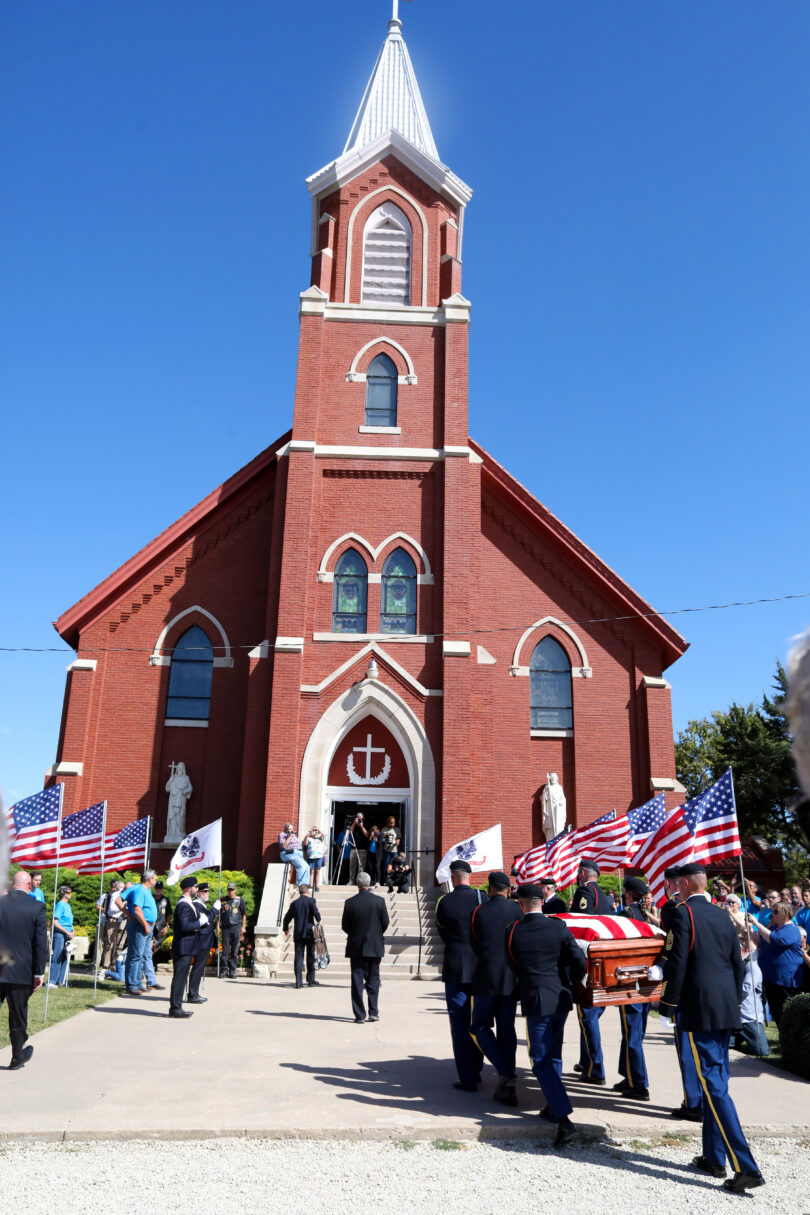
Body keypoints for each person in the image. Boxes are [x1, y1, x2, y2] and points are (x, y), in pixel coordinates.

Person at [659, 862, 764, 1194]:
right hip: (723, 1007)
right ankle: (713, 1157)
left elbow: (677, 962)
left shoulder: (682, 913)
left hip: (698, 1009)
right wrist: (732, 1003)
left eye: (678, 883)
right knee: (714, 1082)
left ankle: (745, 1166)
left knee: (713, 1085)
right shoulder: (723, 915)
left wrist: (666, 1005)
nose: (676, 887)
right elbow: (737, 964)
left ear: (687, 884)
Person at [506, 882, 587, 1148]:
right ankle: (553, 1106)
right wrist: (575, 980)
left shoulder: (513, 931)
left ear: (520, 904)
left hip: (536, 998)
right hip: (561, 996)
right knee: (553, 1053)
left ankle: (564, 1118)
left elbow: (513, 962)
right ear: (542, 902)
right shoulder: (558, 926)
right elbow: (577, 958)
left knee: (540, 1058)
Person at [469, 870, 522, 1105]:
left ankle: (505, 1072)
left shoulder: (479, 911)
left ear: (490, 889)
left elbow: (475, 942)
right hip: (510, 978)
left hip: (485, 977)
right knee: (506, 1029)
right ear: (508, 890)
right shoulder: (517, 911)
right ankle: (507, 1087)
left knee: (478, 1027)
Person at [435, 859, 486, 1091]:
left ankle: (467, 1076)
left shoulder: (443, 902)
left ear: (452, 878)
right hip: (479, 967)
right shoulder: (481, 897)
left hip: (455, 966)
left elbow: (442, 933)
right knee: (479, 1021)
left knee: (459, 1023)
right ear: (469, 875)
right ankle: (478, 1066)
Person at [658, 865, 703, 1123]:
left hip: (687, 991)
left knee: (688, 1050)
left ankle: (694, 1103)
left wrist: (667, 1003)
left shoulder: (677, 910)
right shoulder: (718, 912)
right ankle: (706, 1100)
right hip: (716, 996)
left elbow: (674, 954)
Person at [0, 871, 49, 1069]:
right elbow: (40, 943)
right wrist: (39, 972)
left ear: (13, 884)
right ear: (29, 886)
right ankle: (17, 1055)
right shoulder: (36, 906)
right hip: (20, 971)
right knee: (18, 1015)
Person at [571, 859, 612, 1086]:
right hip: (602, 963)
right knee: (590, 1016)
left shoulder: (585, 891)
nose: (577, 877)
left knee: (587, 1017)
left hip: (588, 964)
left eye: (579, 874)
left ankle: (595, 1068)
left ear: (584, 874)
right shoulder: (604, 899)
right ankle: (585, 1061)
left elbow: (581, 924)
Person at [615, 876, 652, 1100]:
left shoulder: (626, 914)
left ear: (628, 893)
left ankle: (639, 1083)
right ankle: (628, 1076)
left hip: (631, 982)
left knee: (632, 1034)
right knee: (634, 1033)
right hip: (646, 983)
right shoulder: (645, 916)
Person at [341, 872, 389, 1023]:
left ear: (357, 884)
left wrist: (355, 933)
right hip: (374, 945)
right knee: (373, 979)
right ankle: (373, 1011)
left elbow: (345, 926)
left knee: (357, 979)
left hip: (356, 945)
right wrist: (375, 933)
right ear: (369, 884)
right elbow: (385, 923)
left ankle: (359, 1015)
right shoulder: (379, 901)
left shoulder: (350, 902)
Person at [749, 900, 803, 1027]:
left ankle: (789, 1043)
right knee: (777, 1013)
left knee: (786, 1014)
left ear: (785, 913)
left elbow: (776, 940)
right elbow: (760, 942)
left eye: (776, 912)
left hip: (785, 981)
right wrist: (749, 930)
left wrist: (757, 922)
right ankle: (784, 1042)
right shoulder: (773, 928)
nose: (772, 914)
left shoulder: (792, 929)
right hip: (771, 979)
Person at [118, 870, 159, 996]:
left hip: (148, 926)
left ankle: (137, 984)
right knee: (135, 955)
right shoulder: (140, 890)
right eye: (155, 879)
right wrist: (127, 913)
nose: (156, 881)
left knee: (141, 955)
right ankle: (131, 985)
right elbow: (137, 909)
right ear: (149, 879)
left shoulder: (147, 890)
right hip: (141, 926)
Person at [168, 876, 200, 1018]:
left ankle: (177, 1006)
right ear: (189, 888)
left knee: (181, 977)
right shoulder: (183, 905)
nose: (197, 889)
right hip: (183, 947)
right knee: (180, 978)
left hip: (187, 946)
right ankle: (175, 1008)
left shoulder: (188, 903)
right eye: (196, 886)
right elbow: (185, 926)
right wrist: (200, 923)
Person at [283, 883, 322, 988]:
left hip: (299, 934)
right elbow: (316, 913)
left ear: (300, 892)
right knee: (311, 956)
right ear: (307, 892)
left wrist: (285, 928)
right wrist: (319, 921)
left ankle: (298, 982)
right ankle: (311, 980)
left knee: (299, 957)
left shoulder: (294, 903)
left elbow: (287, 918)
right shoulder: (311, 901)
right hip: (310, 933)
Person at [187, 881, 215, 1004]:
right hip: (201, 940)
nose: (207, 893)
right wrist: (215, 910)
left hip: (205, 941)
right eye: (204, 891)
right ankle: (192, 994)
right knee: (197, 967)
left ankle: (195, 993)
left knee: (199, 967)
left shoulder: (202, 904)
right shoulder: (196, 904)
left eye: (208, 891)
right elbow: (206, 919)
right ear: (198, 893)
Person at [98, 879, 126, 976]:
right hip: (112, 920)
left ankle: (114, 965)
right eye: (121, 887)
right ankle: (105, 967)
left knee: (120, 945)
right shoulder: (111, 895)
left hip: (123, 920)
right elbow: (109, 909)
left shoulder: (127, 894)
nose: (122, 889)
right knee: (109, 944)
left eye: (124, 888)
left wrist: (124, 916)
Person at [218, 882, 246, 977]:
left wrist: (243, 927)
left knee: (234, 950)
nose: (230, 891)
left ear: (235, 890)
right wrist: (218, 926)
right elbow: (219, 915)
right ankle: (224, 970)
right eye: (229, 889)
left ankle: (233, 971)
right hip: (226, 927)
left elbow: (244, 914)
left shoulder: (239, 900)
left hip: (236, 927)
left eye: (232, 889)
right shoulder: (223, 900)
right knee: (225, 950)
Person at [49, 885, 74, 987]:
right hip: (60, 934)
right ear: (63, 893)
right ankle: (52, 981)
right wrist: (67, 932)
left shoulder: (68, 906)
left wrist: (73, 930)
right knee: (57, 956)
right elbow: (55, 922)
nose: (70, 894)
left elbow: (68, 921)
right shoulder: (60, 905)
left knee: (65, 957)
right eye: (69, 892)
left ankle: (61, 980)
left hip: (67, 934)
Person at [278, 823, 310, 888]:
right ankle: (301, 886)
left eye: (292, 829)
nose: (291, 830)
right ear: (285, 828)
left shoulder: (293, 835)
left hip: (297, 854)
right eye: (289, 829)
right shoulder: (282, 834)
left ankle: (306, 886)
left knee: (307, 867)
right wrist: (289, 836)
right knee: (301, 866)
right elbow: (283, 846)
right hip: (289, 853)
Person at [380, 816, 401, 886]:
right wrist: (384, 837)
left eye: (393, 823)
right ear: (387, 823)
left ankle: (394, 881)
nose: (392, 824)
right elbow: (381, 840)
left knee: (395, 866)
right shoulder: (384, 829)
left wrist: (398, 841)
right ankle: (385, 881)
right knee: (386, 865)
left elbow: (399, 838)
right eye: (390, 823)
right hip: (387, 850)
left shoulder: (396, 829)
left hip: (394, 850)